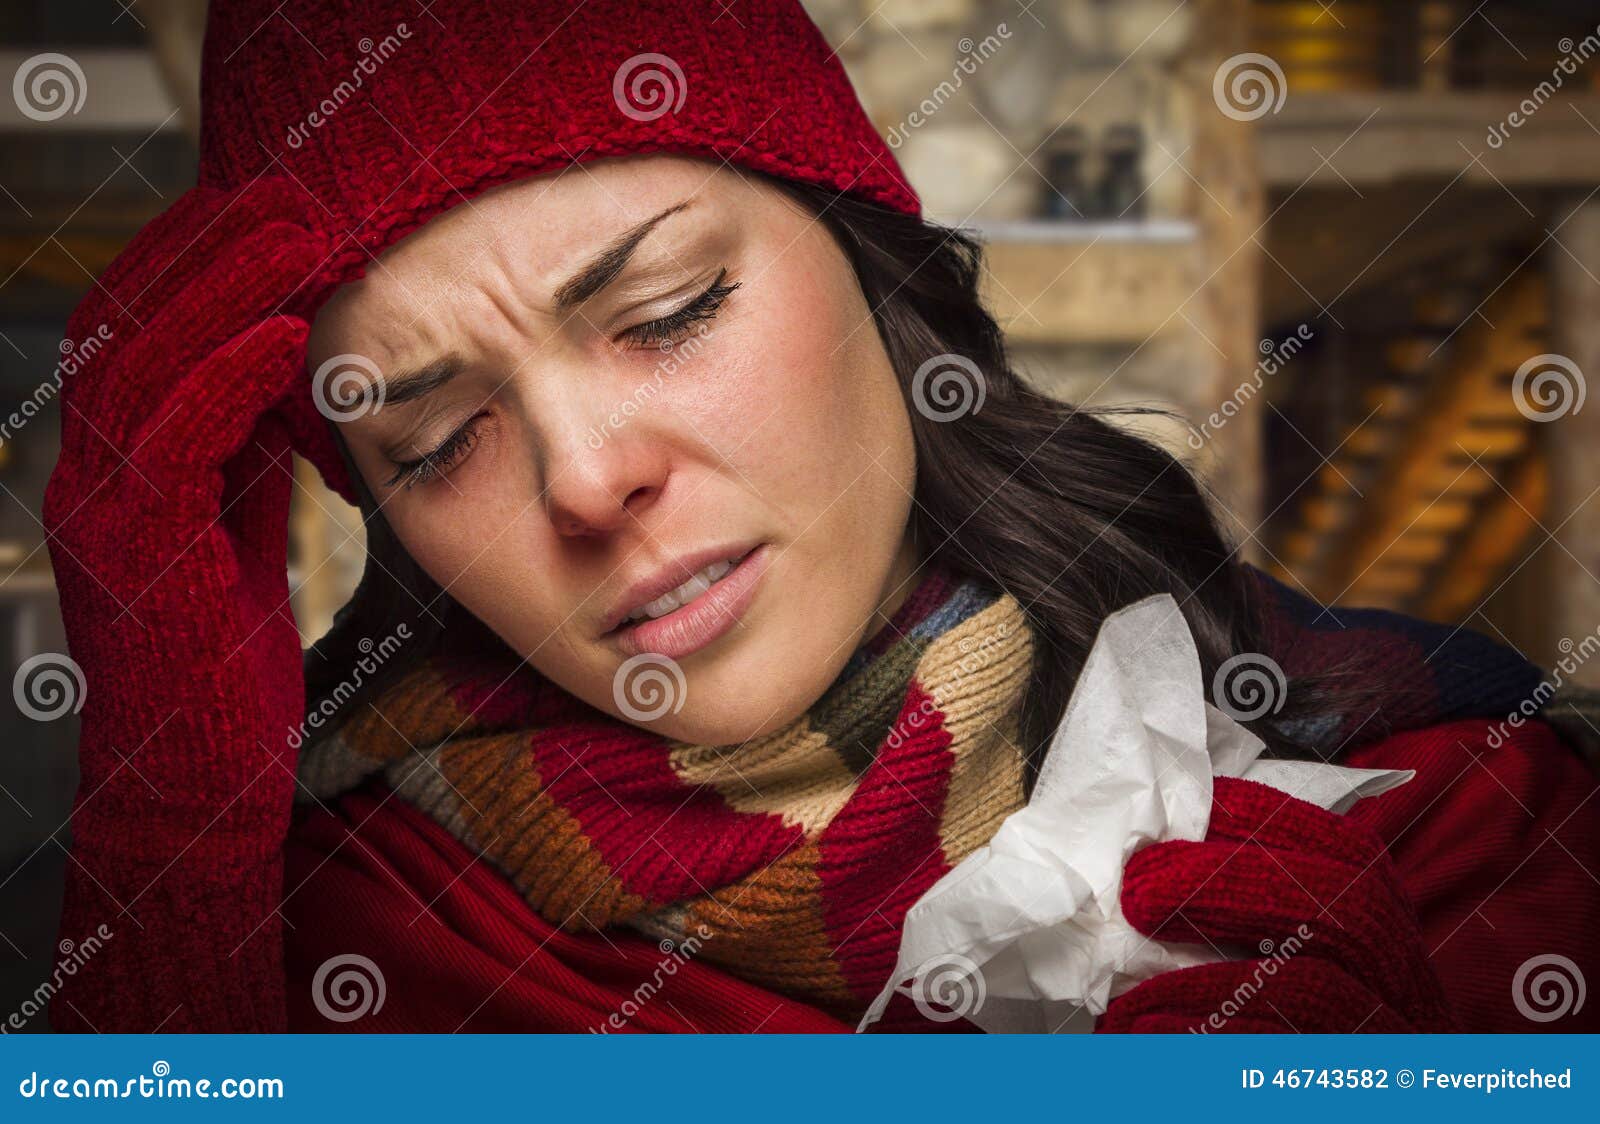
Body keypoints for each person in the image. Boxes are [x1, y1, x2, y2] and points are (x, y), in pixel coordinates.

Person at [43, 0, 1599, 1034]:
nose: (588, 483)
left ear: (874, 273)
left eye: (667, 309)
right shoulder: (346, 948)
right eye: (438, 440)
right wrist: (173, 830)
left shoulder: (1453, 804)